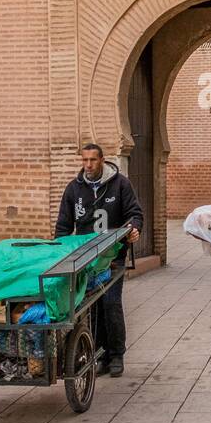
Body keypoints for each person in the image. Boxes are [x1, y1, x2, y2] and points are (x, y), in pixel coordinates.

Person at [55, 143, 143, 377]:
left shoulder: (120, 184)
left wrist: (134, 229)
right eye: (84, 160)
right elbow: (63, 225)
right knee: (91, 309)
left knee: (111, 304)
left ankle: (116, 355)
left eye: (93, 160)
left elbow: (134, 213)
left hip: (112, 258)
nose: (88, 165)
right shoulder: (74, 189)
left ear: (102, 160)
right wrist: (60, 253)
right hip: (84, 262)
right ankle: (100, 354)